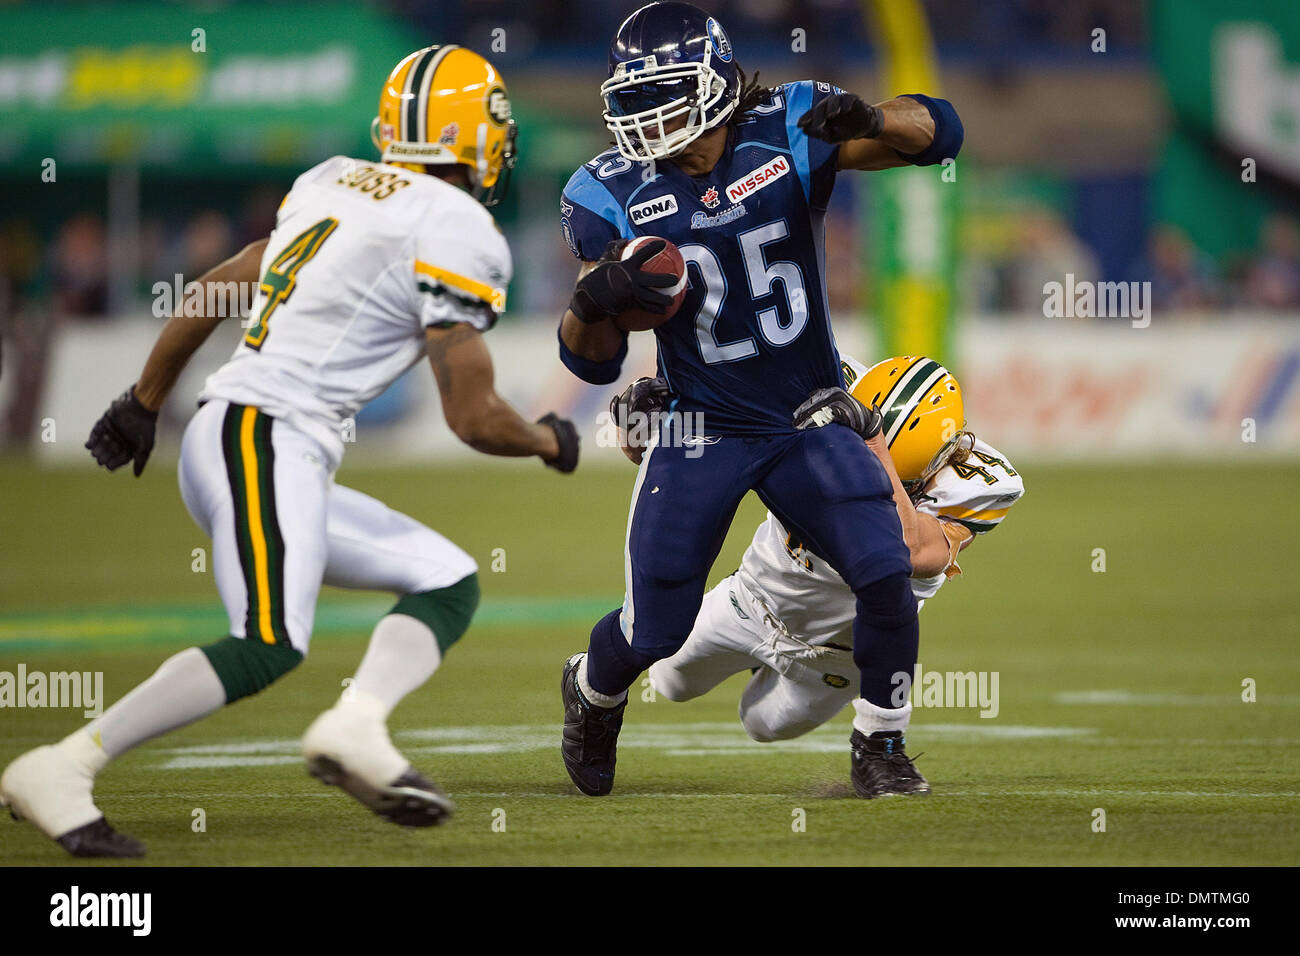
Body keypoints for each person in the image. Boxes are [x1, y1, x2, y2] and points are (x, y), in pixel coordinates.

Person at [0, 45, 578, 858]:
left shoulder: (333, 179)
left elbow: (217, 287)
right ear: (474, 134)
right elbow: (474, 418)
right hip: (264, 435)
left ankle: (356, 725)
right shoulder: (459, 228)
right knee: (267, 641)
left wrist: (143, 400)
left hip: (250, 438)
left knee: (445, 578)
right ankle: (63, 766)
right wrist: (547, 439)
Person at [555, 2, 964, 797]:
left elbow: (940, 133)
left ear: (711, 81)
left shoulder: (789, 125)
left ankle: (880, 746)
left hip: (808, 410)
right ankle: (591, 690)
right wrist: (594, 301)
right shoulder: (605, 191)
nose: (644, 116)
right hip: (703, 424)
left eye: (662, 93)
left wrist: (874, 115)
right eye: (632, 98)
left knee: (884, 573)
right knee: (655, 630)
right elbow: (589, 362)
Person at [640, 356, 1024, 773]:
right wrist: (657, 416)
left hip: (834, 659)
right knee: (668, 681)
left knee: (760, 725)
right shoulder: (825, 382)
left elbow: (911, 553)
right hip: (754, 599)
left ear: (939, 461)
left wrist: (875, 444)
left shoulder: (980, 483)